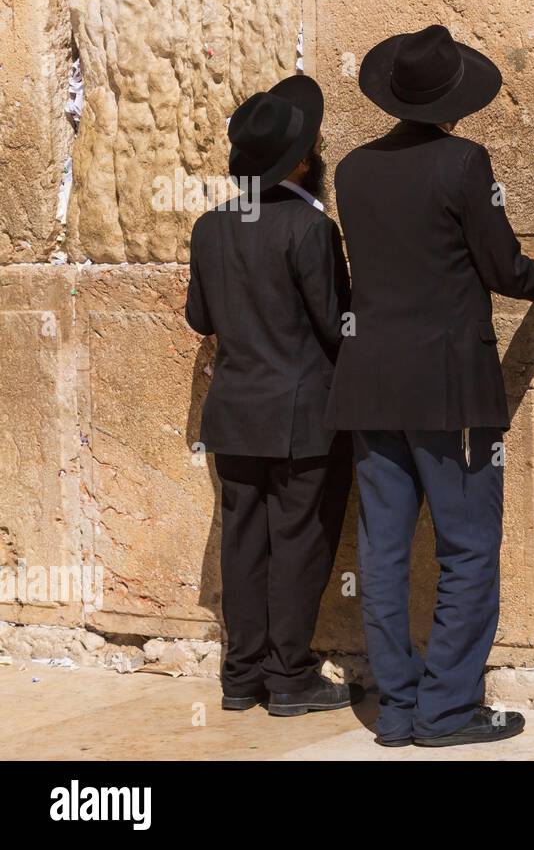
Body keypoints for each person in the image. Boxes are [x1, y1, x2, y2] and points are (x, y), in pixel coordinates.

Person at [328, 24, 534, 748]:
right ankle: (447, 710)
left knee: (384, 551)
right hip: (447, 388)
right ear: (456, 98)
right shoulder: (465, 162)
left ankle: (398, 707)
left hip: (370, 386)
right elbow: (501, 269)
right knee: (467, 548)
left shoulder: (352, 168)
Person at [185, 74, 357, 717]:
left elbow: (200, 318)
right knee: (298, 544)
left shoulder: (209, 228)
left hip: (233, 415)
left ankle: (240, 675)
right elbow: (335, 324)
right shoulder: (311, 231)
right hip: (299, 418)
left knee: (244, 543)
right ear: (304, 163)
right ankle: (290, 676)